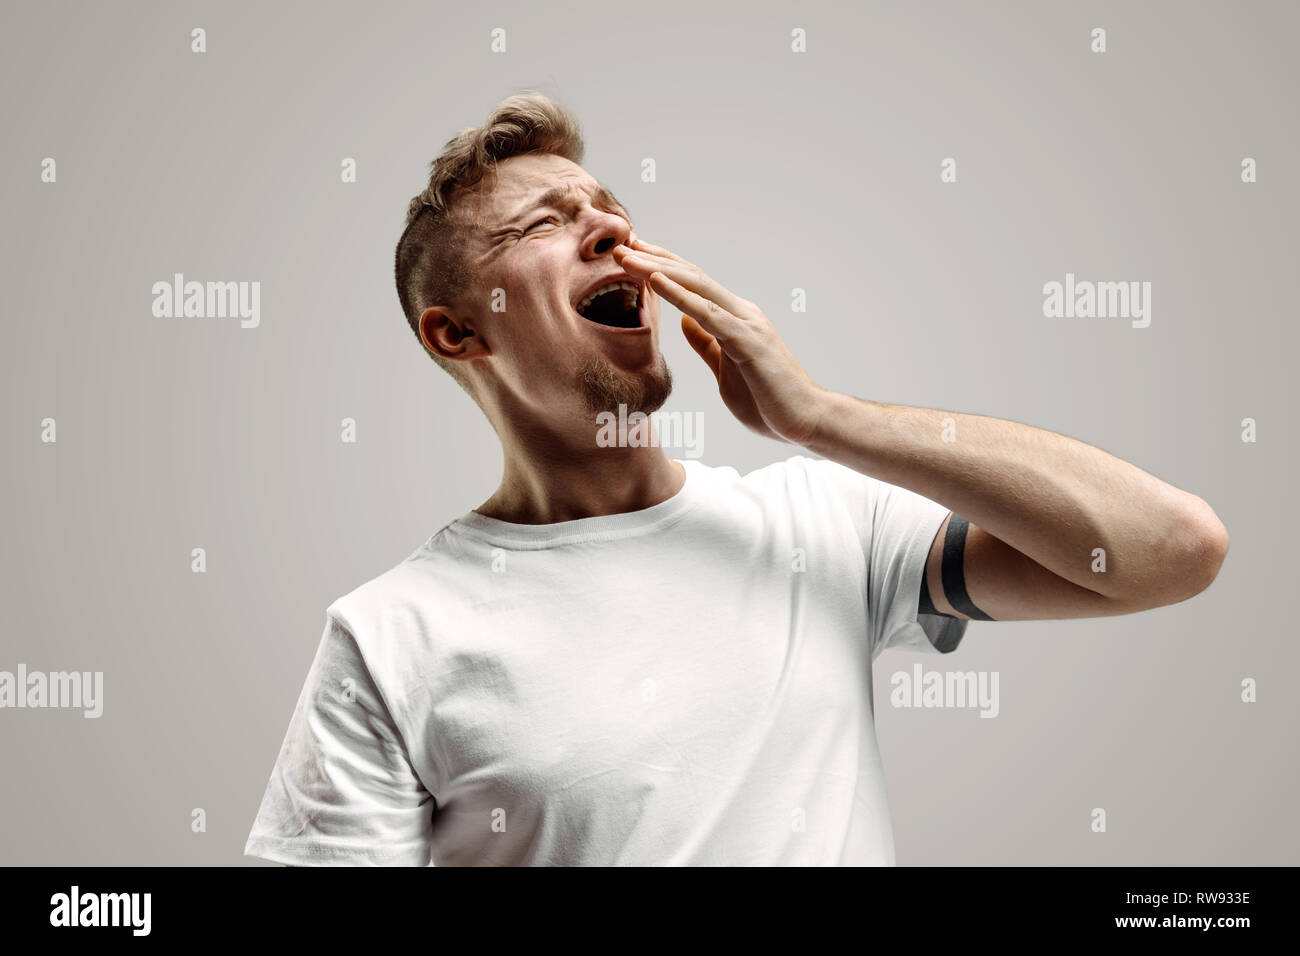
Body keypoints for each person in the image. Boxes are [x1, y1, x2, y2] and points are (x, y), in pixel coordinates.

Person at [243, 91, 1228, 866]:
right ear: (459, 331)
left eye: (611, 211)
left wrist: (820, 417)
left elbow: (1171, 550)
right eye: (545, 222)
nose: (606, 232)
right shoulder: (389, 634)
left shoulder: (824, 524)